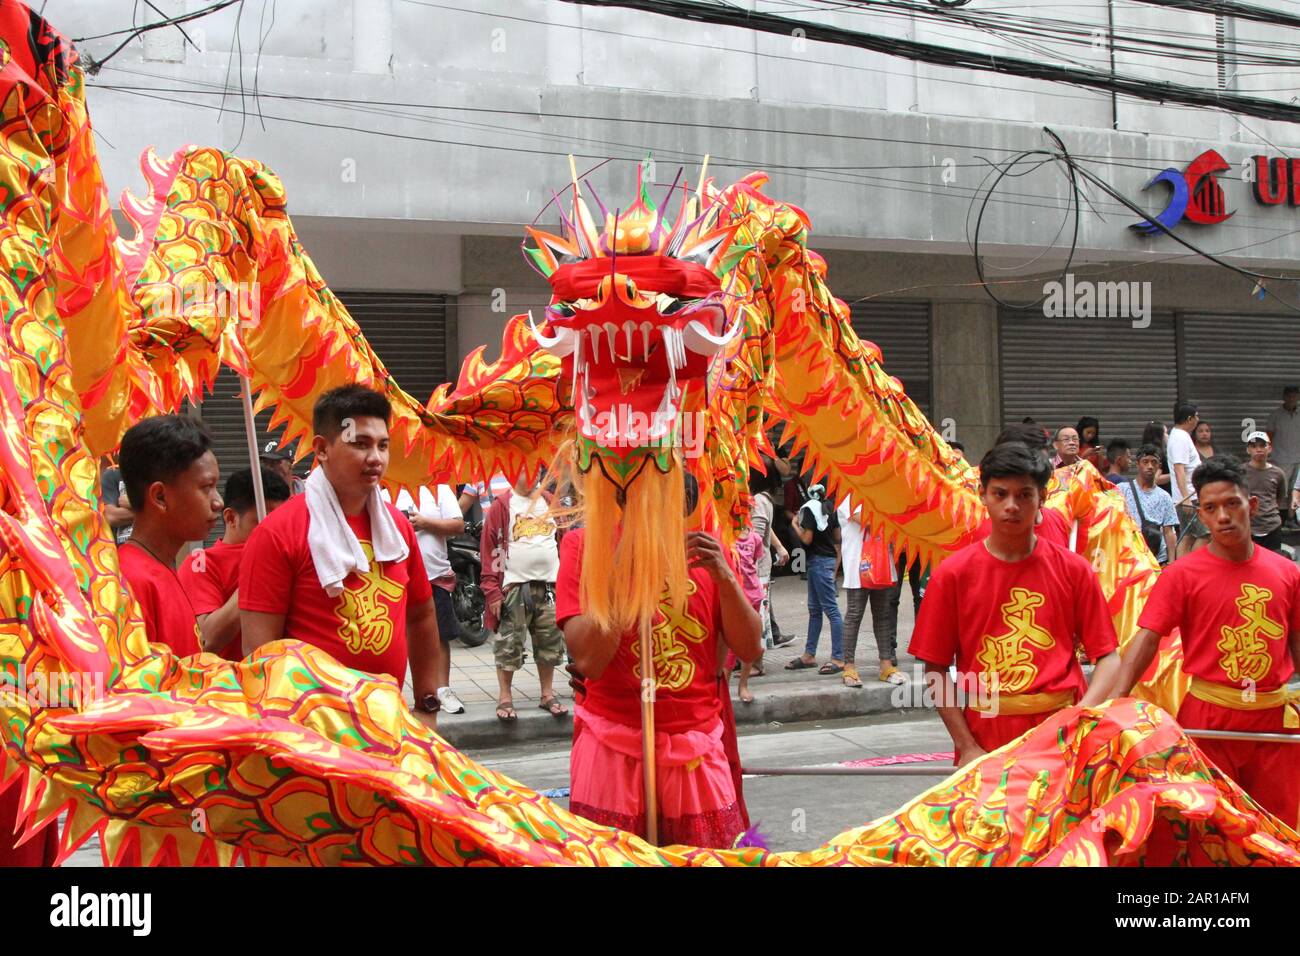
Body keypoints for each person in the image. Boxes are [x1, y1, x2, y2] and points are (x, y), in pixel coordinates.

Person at [1113, 456, 1300, 830]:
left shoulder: (1287, 572)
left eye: (1233, 504)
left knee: (1277, 828)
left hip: (1273, 722)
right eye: (1211, 508)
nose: (1224, 516)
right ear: (1200, 513)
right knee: (1209, 829)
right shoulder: (1181, 575)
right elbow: (1146, 640)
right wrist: (1111, 704)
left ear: (1254, 505)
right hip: (1208, 719)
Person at [239, 385, 444, 724]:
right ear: (321, 449)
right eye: (359, 443)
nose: (375, 457)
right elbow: (260, 657)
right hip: (311, 733)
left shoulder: (398, 527)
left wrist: (427, 705)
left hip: (388, 722)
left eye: (382, 445)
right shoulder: (276, 534)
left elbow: (422, 616)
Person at [908, 442, 1121, 764]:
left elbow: (1108, 656)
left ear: (1041, 500)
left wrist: (1081, 716)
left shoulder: (1075, 570)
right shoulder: (952, 574)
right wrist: (966, 745)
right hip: (986, 729)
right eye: (1000, 494)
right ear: (983, 495)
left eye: (1024, 495)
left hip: (1061, 730)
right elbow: (935, 668)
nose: (1012, 505)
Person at [557, 521, 762, 846]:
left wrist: (725, 578)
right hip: (612, 750)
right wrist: (627, 569)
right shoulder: (584, 546)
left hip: (697, 746)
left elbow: (750, 648)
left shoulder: (708, 548)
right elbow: (590, 662)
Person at [117, 415, 223, 656]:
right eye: (206, 487)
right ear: (160, 497)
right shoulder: (131, 582)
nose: (218, 502)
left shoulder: (163, 567)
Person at [177, 468, 291, 659]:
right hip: (228, 682)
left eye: (281, 522)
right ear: (231, 518)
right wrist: (257, 576)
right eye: (263, 522)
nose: (275, 531)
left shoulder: (291, 553)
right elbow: (207, 640)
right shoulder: (201, 563)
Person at [481, 473, 568, 721]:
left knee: (550, 642)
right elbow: (489, 550)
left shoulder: (551, 502)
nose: (529, 477)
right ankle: (505, 697)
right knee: (508, 644)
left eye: (533, 471)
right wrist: (492, 592)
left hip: (550, 585)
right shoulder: (502, 506)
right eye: (523, 471)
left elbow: (564, 541)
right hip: (514, 587)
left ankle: (547, 694)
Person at [392, 482, 468, 713]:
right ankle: (393, 693)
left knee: (440, 635)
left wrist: (426, 523)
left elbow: (458, 525)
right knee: (394, 637)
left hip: (434, 575)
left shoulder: (439, 487)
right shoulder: (385, 487)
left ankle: (442, 691)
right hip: (395, 577)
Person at [838, 500, 905, 689]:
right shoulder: (847, 496)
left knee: (883, 614)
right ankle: (849, 666)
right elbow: (866, 520)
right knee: (854, 614)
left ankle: (886, 665)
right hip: (857, 564)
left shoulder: (878, 493)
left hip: (882, 561)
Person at [737, 469, 789, 703]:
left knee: (754, 622)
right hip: (756, 574)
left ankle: (756, 664)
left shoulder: (756, 503)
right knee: (757, 621)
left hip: (753, 576)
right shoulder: (763, 501)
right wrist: (779, 548)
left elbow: (755, 538)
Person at [784, 483, 843, 673]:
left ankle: (838, 658)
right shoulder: (829, 509)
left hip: (817, 563)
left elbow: (807, 539)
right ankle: (809, 655)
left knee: (829, 612)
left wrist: (795, 525)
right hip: (826, 562)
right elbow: (837, 538)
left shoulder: (809, 510)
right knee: (817, 610)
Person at [1120, 445, 1179, 566]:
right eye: (1145, 462)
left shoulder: (1164, 497)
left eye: (1154, 462)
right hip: (1129, 556)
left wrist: (1172, 561)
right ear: (1138, 464)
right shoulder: (1122, 490)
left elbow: (1169, 531)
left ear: (1159, 466)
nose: (1150, 466)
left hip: (1157, 558)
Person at [1242, 432, 1288, 554]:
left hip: (1272, 526)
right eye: (1254, 446)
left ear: (1270, 448)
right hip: (1247, 527)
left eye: (1262, 445)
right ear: (1248, 450)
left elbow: (1280, 497)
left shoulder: (1278, 473)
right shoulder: (1240, 472)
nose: (1259, 449)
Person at [1265, 386, 1300, 524]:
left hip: (1298, 458)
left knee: (1296, 489)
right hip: (1281, 458)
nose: (1292, 398)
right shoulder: (1276, 415)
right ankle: (1277, 518)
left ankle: (1291, 518)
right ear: (1284, 397)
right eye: (1289, 396)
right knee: (1280, 489)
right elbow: (1269, 435)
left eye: (1295, 396)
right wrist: (1268, 453)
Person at [1167, 402, 1202, 527]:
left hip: (1190, 495)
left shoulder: (1181, 435)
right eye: (1196, 416)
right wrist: (1186, 498)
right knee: (1205, 534)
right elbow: (1179, 469)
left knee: (1189, 536)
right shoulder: (1179, 438)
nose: (1198, 419)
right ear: (1189, 419)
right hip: (1189, 498)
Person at [100, 458, 134, 544]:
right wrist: (152, 511)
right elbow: (111, 516)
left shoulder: (158, 474)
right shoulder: (113, 474)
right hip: (121, 549)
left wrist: (133, 502)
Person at [1141, 420, 1172, 491]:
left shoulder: (1144, 451)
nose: (1167, 436)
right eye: (1165, 433)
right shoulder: (1156, 453)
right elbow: (1155, 478)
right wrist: (1174, 475)